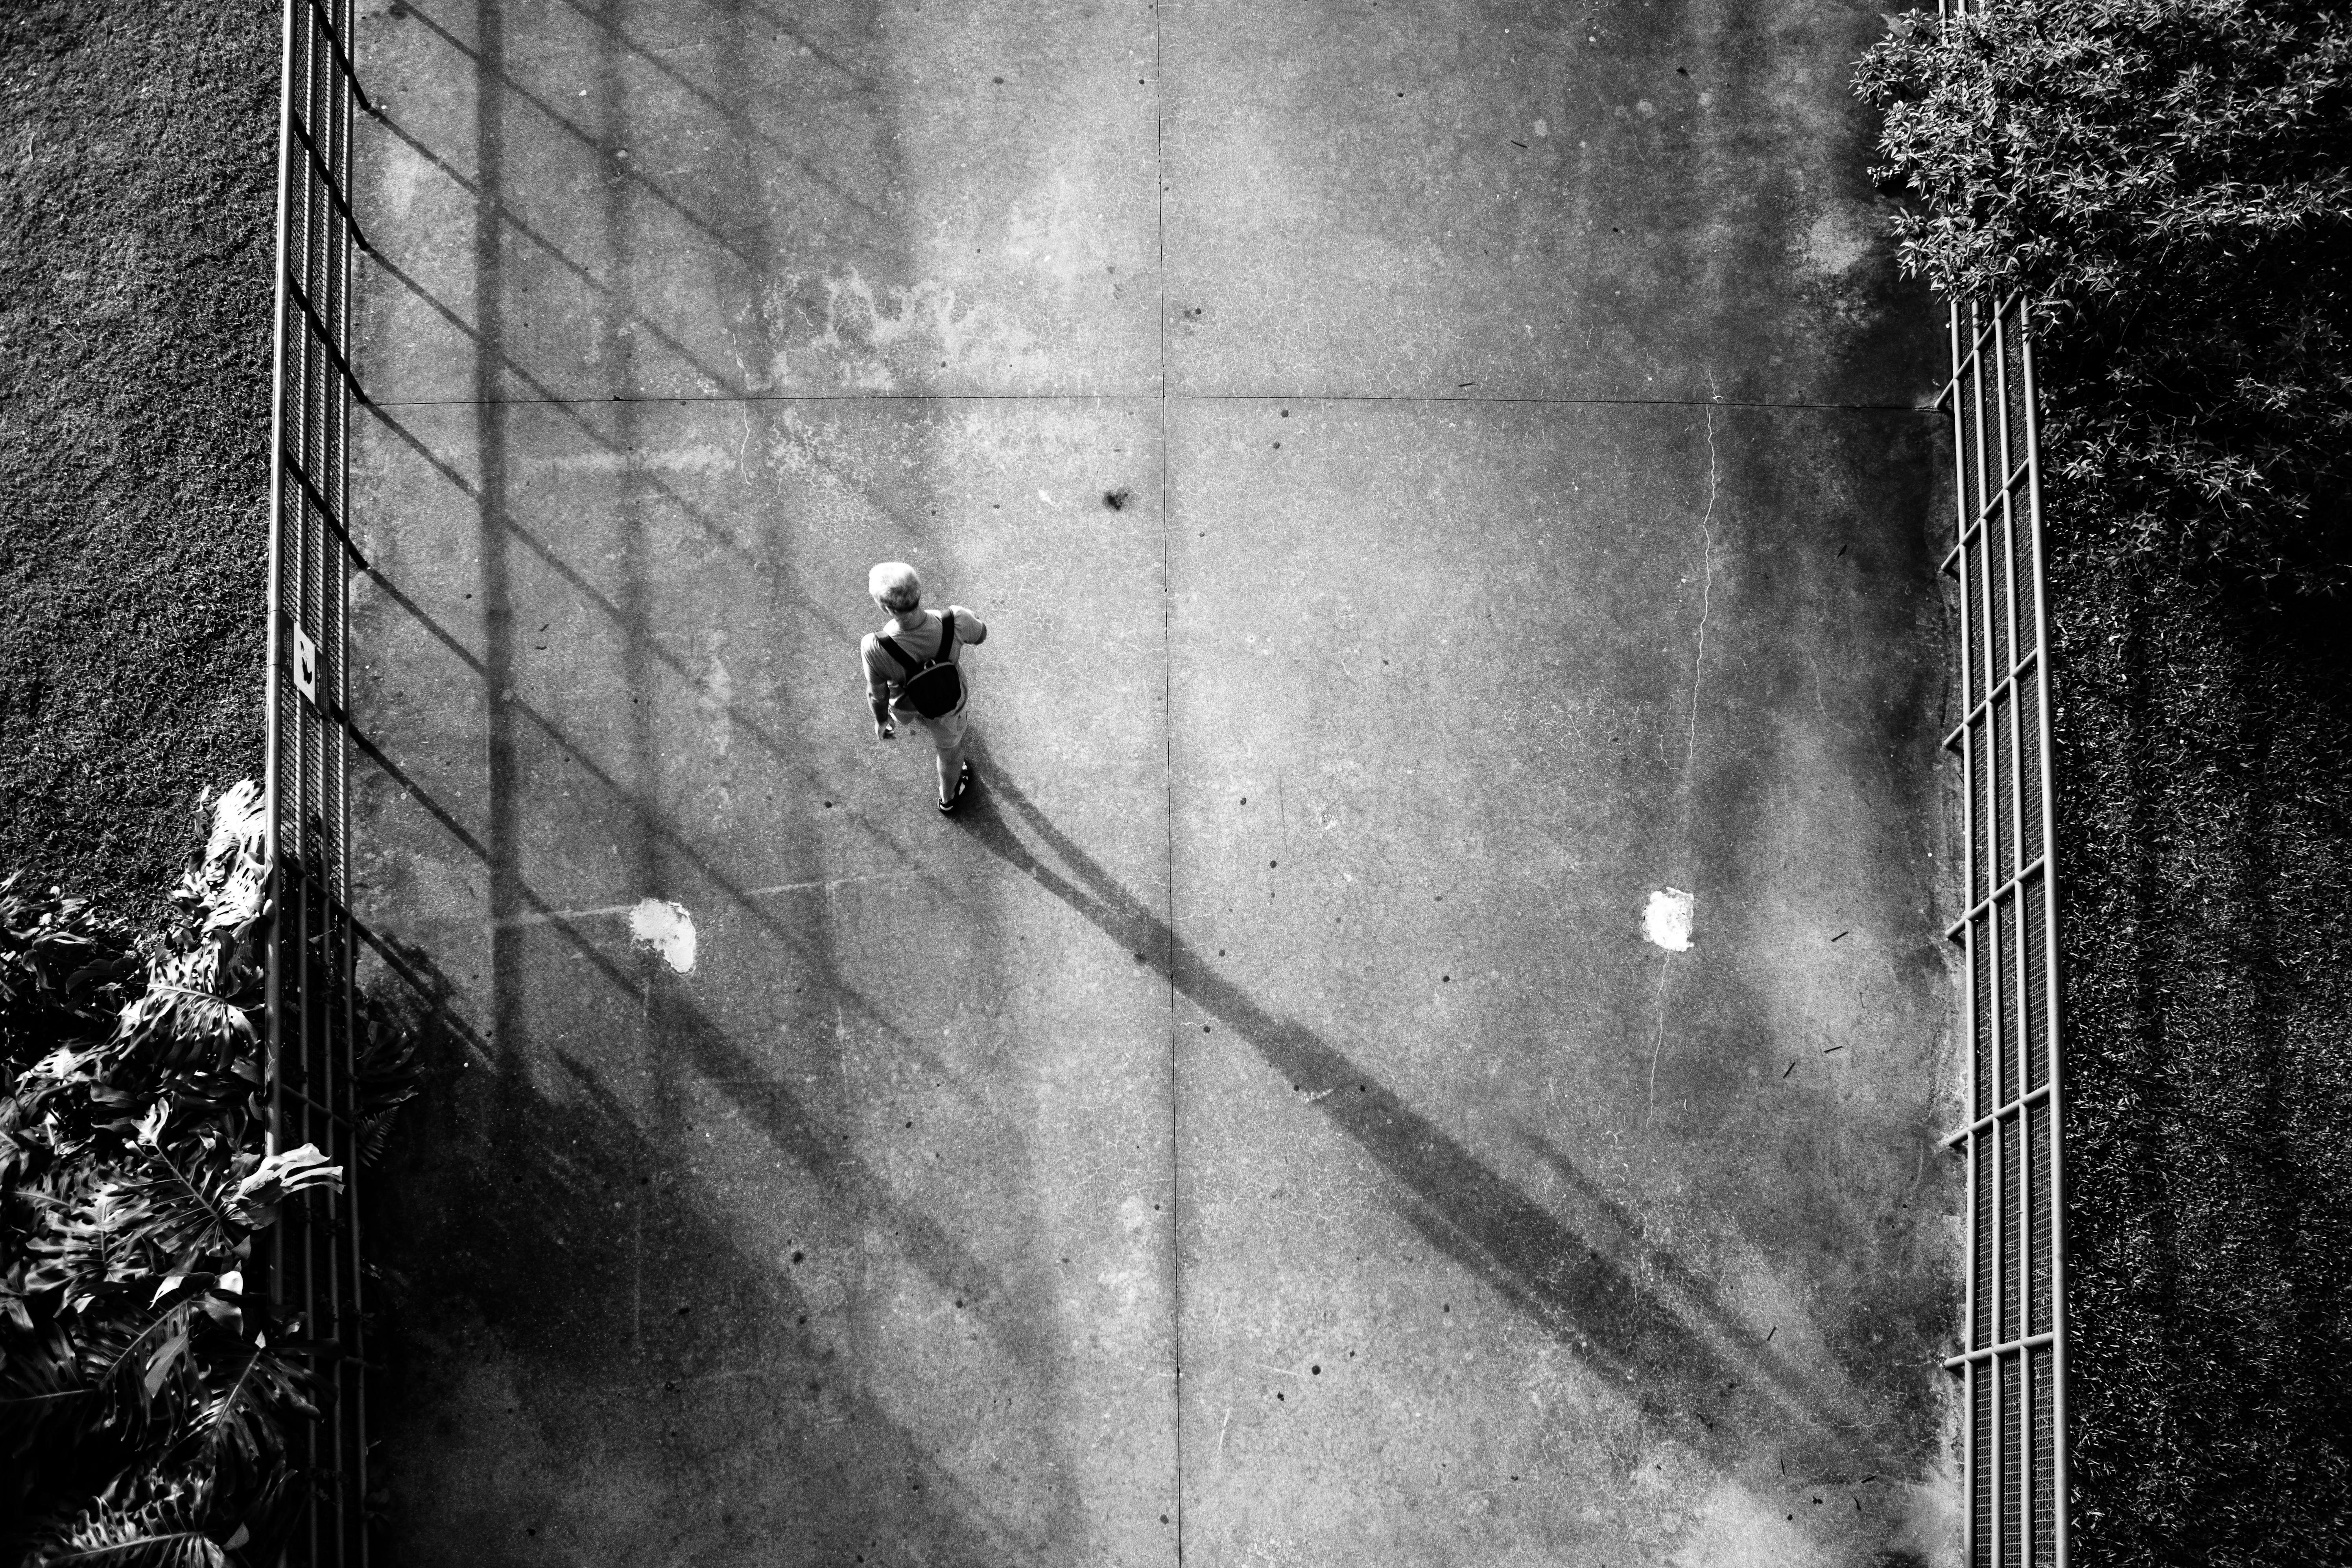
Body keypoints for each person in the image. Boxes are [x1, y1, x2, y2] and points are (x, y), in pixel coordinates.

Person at [861, 561, 987, 814]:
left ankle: (909, 717)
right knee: (949, 750)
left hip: (906, 703)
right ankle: (948, 800)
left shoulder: (874, 646)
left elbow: (877, 693)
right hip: (947, 702)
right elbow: (981, 635)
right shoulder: (956, 620)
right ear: (920, 591)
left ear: (885, 607)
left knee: (906, 709)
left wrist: (882, 720)